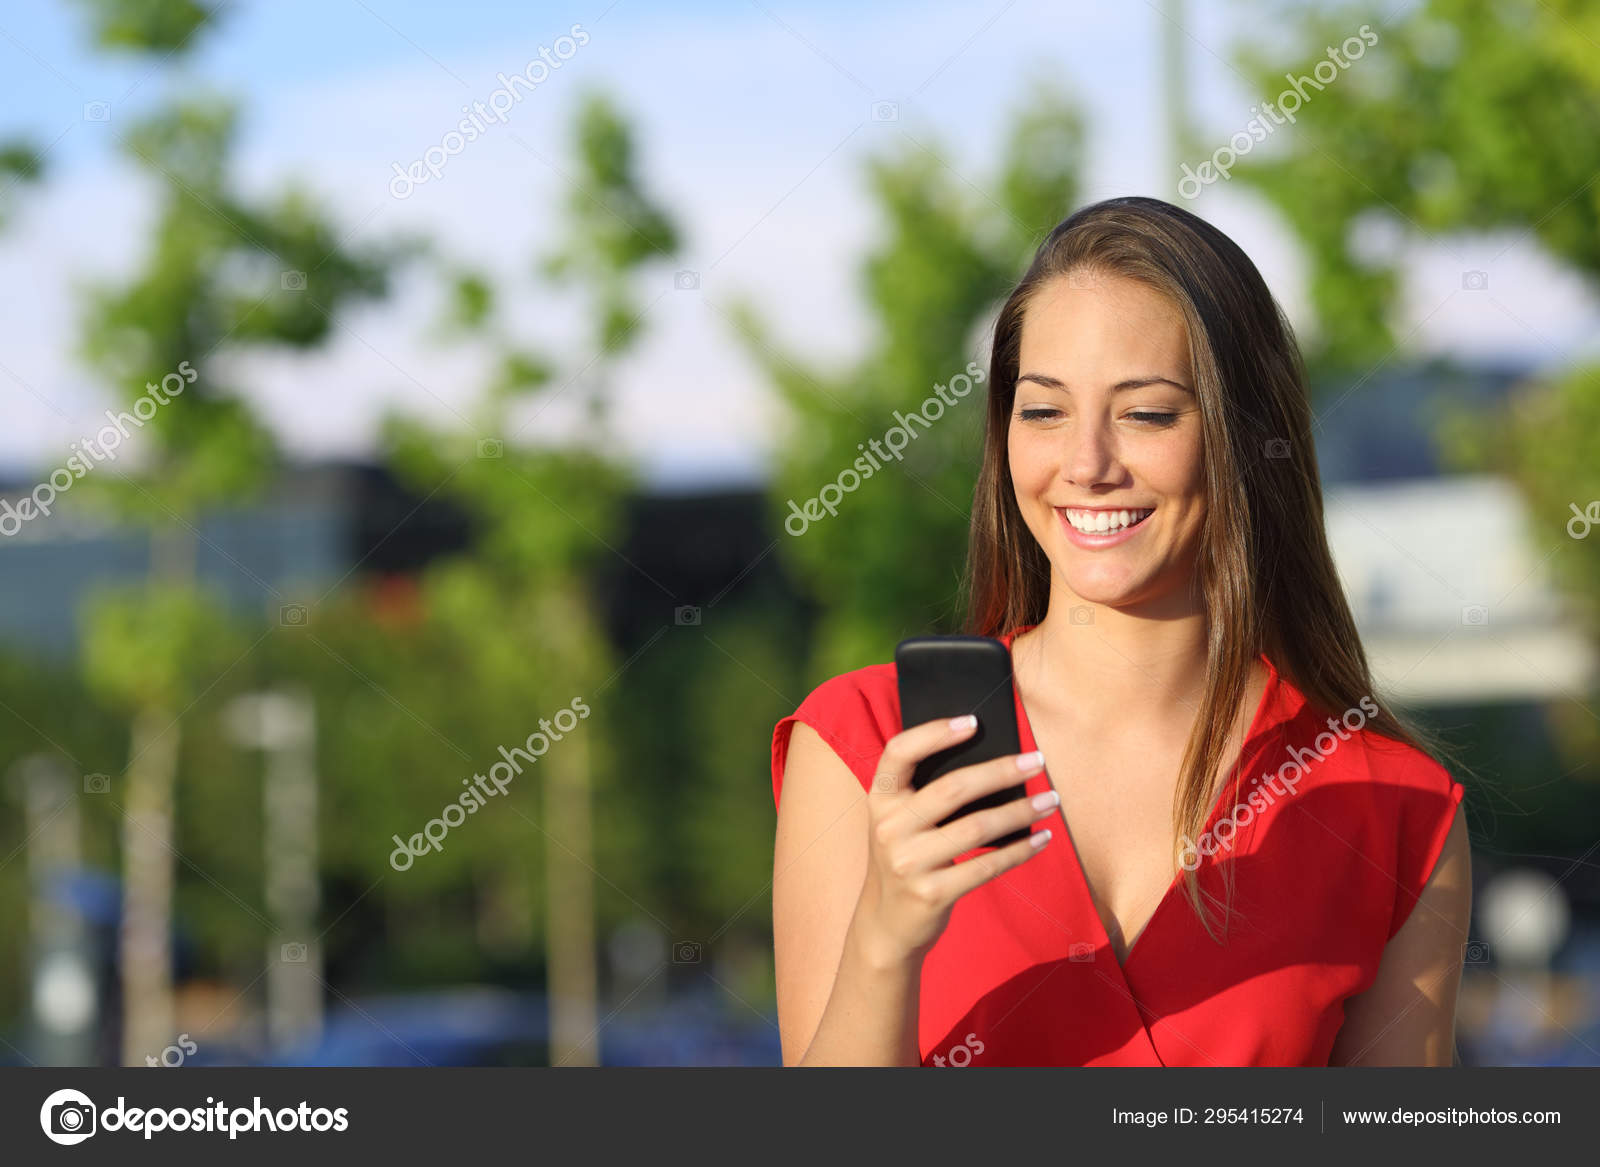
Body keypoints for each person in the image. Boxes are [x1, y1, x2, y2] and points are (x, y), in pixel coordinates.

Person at [769, 196, 1470, 1067]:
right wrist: (886, 938)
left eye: (1146, 413)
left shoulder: (1394, 807)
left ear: (1248, 440)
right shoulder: (866, 743)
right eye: (1043, 410)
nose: (1087, 464)